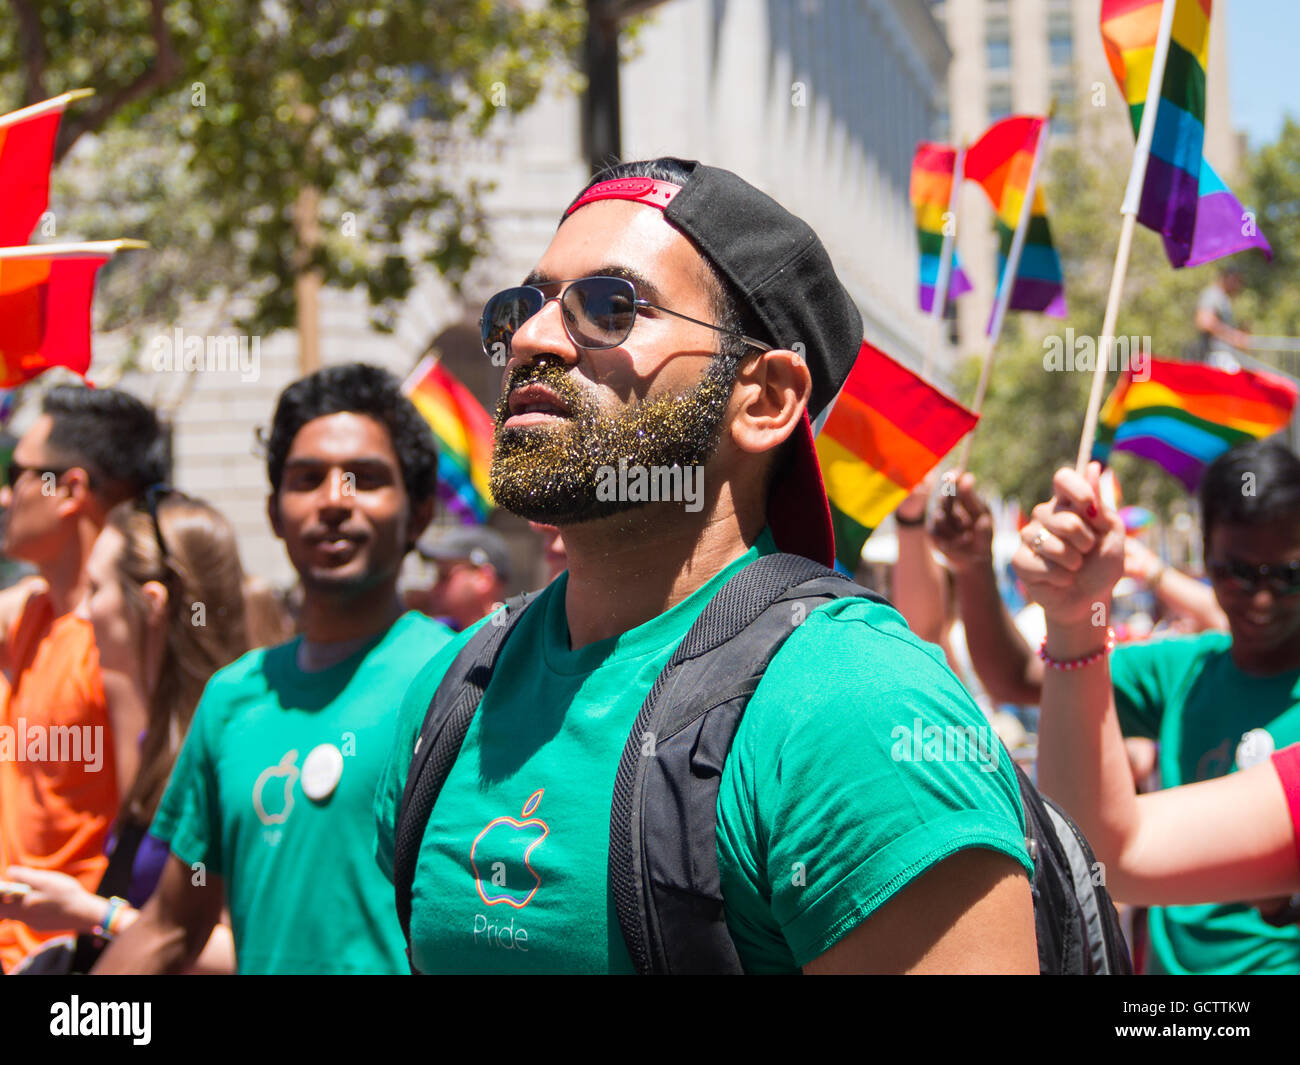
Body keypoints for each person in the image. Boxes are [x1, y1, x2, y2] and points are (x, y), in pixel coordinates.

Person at [374, 158, 1037, 974]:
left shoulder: (851, 707)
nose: (534, 339)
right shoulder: (452, 689)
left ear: (762, 399)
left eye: (610, 309)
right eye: (524, 307)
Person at [96, 364, 454, 974]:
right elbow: (170, 926)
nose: (334, 501)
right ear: (273, 512)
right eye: (306, 479)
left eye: (364, 479)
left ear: (418, 514)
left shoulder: (465, 680)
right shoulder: (231, 697)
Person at [1012, 440, 1300, 974]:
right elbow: (1110, 854)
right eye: (1238, 573)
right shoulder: (1185, 669)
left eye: (1286, 576)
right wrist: (1078, 613)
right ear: (1208, 559)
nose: (1261, 599)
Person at [1, 491, 247, 972]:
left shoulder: (227, 745)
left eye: (97, 591)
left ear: (150, 603)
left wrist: (93, 914)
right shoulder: (162, 737)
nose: (85, 614)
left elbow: (251, 949)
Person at [0, 385, 166, 972]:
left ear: (68, 489)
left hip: (71, 964)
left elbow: (151, 831)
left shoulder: (124, 645)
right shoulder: (29, 613)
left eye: (15, 471)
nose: (4, 492)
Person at [411, 525, 511, 630]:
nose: (434, 588)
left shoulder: (516, 639)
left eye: (444, 576)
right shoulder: (438, 634)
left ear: (483, 578)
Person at [1193, 265, 1251, 370]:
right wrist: (1233, 336)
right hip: (1215, 357)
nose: (1238, 286)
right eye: (1236, 281)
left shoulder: (1223, 298)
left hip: (1222, 357)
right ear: (1228, 278)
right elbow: (1204, 321)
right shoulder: (1212, 294)